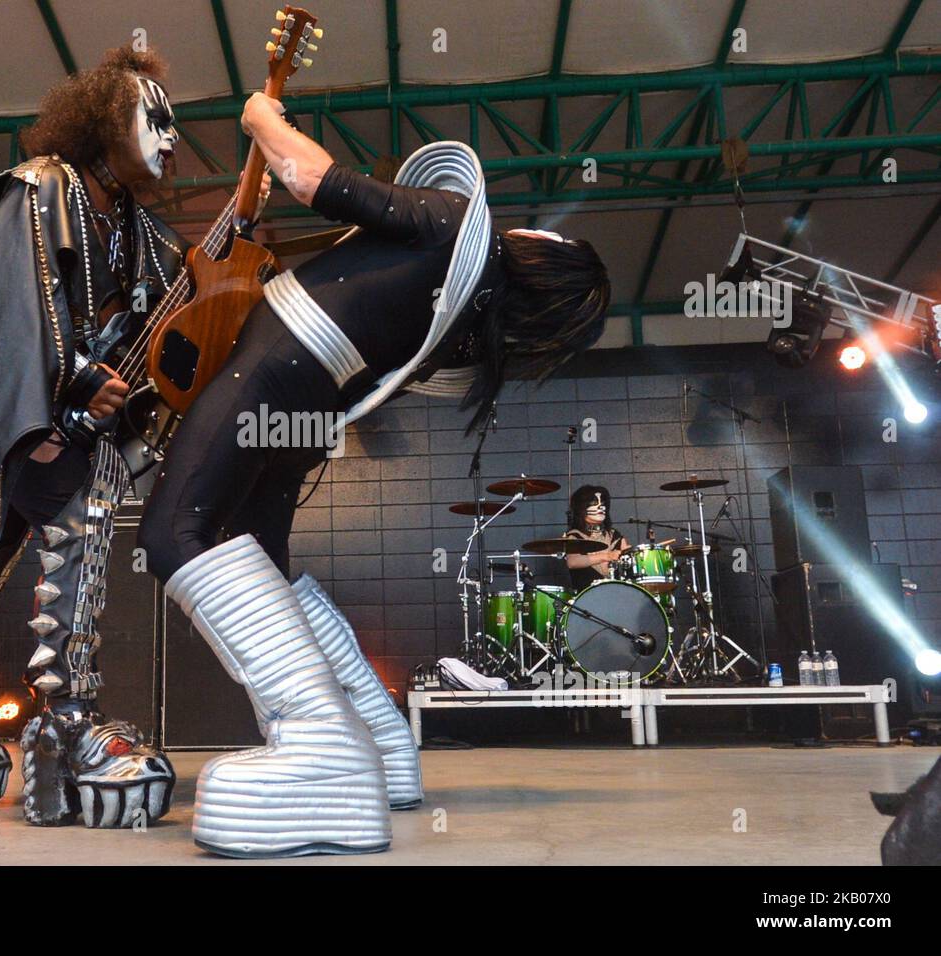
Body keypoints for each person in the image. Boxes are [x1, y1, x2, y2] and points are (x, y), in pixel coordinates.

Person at [137, 91, 612, 857]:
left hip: (279, 361)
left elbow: (313, 177)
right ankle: (376, 738)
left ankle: (322, 742)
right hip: (309, 395)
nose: (537, 226)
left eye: (553, 235)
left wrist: (259, 115)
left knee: (170, 532)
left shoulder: (461, 225)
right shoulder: (466, 323)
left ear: (545, 256)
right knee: (261, 555)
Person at [0, 46, 194, 828]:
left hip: (58, 426)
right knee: (68, 560)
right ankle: (62, 727)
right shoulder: (44, 185)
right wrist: (84, 382)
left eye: (171, 123)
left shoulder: (137, 227)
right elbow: (23, 298)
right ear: (101, 122)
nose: (168, 135)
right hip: (30, 422)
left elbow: (164, 308)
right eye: (150, 117)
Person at [563, 484, 630, 590]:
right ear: (581, 508)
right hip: (587, 594)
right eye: (594, 503)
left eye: (602, 503)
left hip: (618, 591)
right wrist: (607, 556)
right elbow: (572, 562)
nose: (600, 506)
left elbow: (629, 561)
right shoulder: (575, 536)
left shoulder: (615, 535)